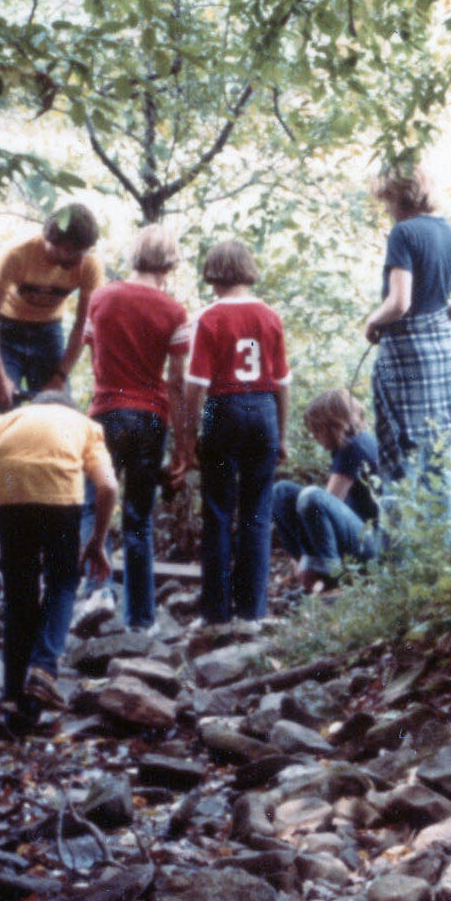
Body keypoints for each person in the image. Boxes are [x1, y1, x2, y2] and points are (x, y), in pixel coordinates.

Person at [0, 392, 118, 733]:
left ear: (36, 404)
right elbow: (108, 486)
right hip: (59, 498)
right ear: (69, 407)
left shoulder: (10, 418)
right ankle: (44, 667)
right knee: (63, 583)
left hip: (9, 496)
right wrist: (96, 541)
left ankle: (15, 708)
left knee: (20, 595)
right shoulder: (85, 424)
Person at [80, 224, 191, 629]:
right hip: (150, 417)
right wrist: (183, 444)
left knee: (93, 504)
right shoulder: (174, 312)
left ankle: (97, 592)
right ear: (170, 262)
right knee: (138, 516)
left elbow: (94, 353)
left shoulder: (101, 298)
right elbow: (177, 383)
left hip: (106, 411)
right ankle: (142, 619)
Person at [363, 163, 451, 524]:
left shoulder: (404, 234)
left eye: (387, 201)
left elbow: (399, 303)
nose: (387, 209)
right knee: (441, 458)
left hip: (407, 356)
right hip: (444, 351)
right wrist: (433, 317)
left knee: (401, 454)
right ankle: (436, 557)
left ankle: (400, 558)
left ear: (400, 195)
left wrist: (372, 320)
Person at [183, 241, 289, 625]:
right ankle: (252, 613)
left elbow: (195, 384)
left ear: (213, 273)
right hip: (263, 410)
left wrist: (188, 435)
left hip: (223, 409)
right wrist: (282, 433)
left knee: (218, 511)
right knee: (257, 514)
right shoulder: (269, 316)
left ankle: (215, 613)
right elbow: (282, 382)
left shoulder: (209, 318)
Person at [0, 204, 103, 413]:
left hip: (48, 333)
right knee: (1, 408)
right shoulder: (17, 254)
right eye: (71, 251)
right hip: (5, 332)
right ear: (51, 241)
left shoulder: (89, 264)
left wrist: (60, 376)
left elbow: (84, 323)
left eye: (84, 251)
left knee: (56, 410)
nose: (80, 259)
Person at [270, 389, 386, 588]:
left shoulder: (354, 447)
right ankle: (310, 570)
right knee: (280, 492)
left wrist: (309, 555)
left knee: (312, 498)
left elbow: (325, 503)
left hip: (372, 547)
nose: (314, 436)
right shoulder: (347, 446)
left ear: (334, 425)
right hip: (356, 535)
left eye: (317, 430)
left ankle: (329, 579)